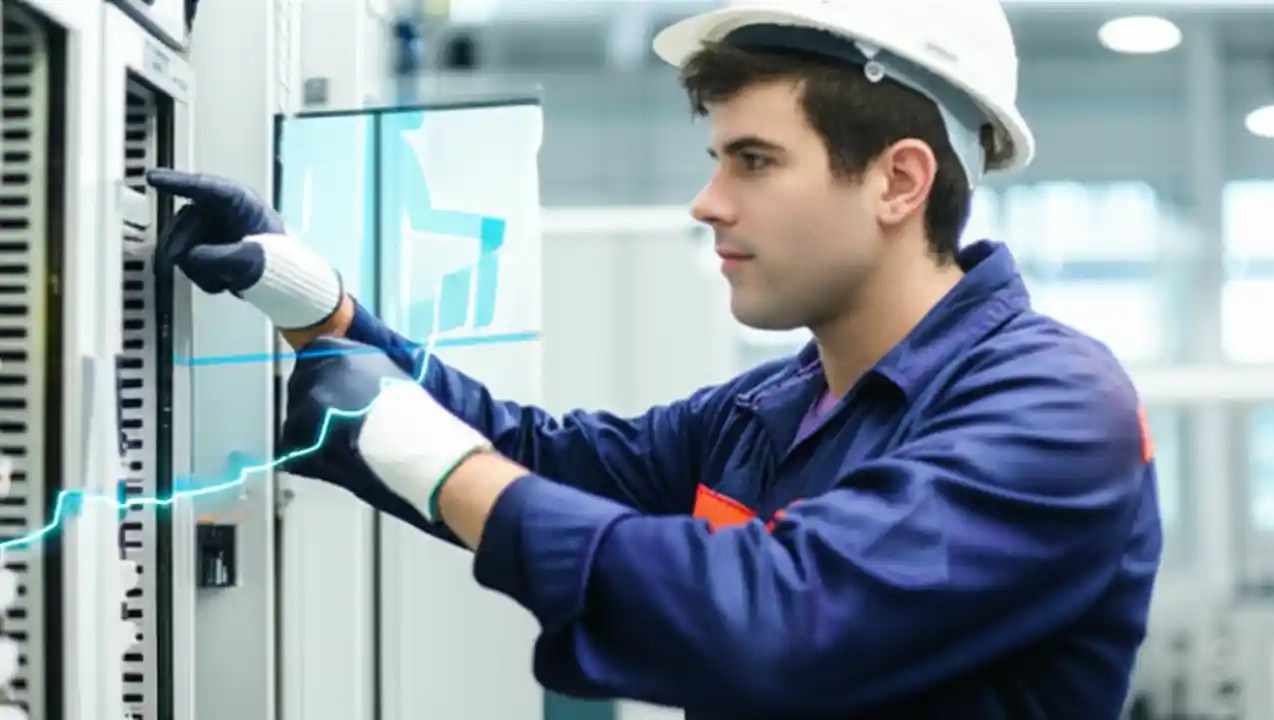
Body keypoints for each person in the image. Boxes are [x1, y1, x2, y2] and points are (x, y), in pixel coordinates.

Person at [147, 0, 1164, 717]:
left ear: (899, 180)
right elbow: (539, 458)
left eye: (753, 161)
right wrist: (321, 312)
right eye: (716, 158)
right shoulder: (780, 405)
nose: (708, 201)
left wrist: (443, 466)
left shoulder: (1054, 407)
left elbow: (779, 616)